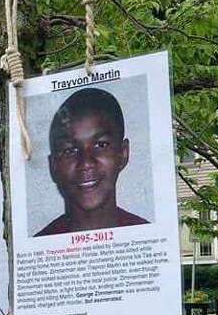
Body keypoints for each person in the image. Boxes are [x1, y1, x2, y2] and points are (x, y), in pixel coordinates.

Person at [35, 87, 149, 236]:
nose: (86, 163)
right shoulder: (40, 246)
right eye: (70, 150)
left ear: (123, 153)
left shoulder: (147, 236)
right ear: (53, 166)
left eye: (100, 145)